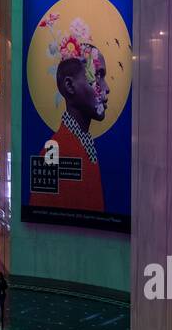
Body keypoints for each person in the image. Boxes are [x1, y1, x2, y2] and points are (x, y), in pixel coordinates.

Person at [28, 26, 111, 215]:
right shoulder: (53, 153)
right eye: (96, 77)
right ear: (70, 86)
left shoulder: (87, 146)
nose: (106, 88)